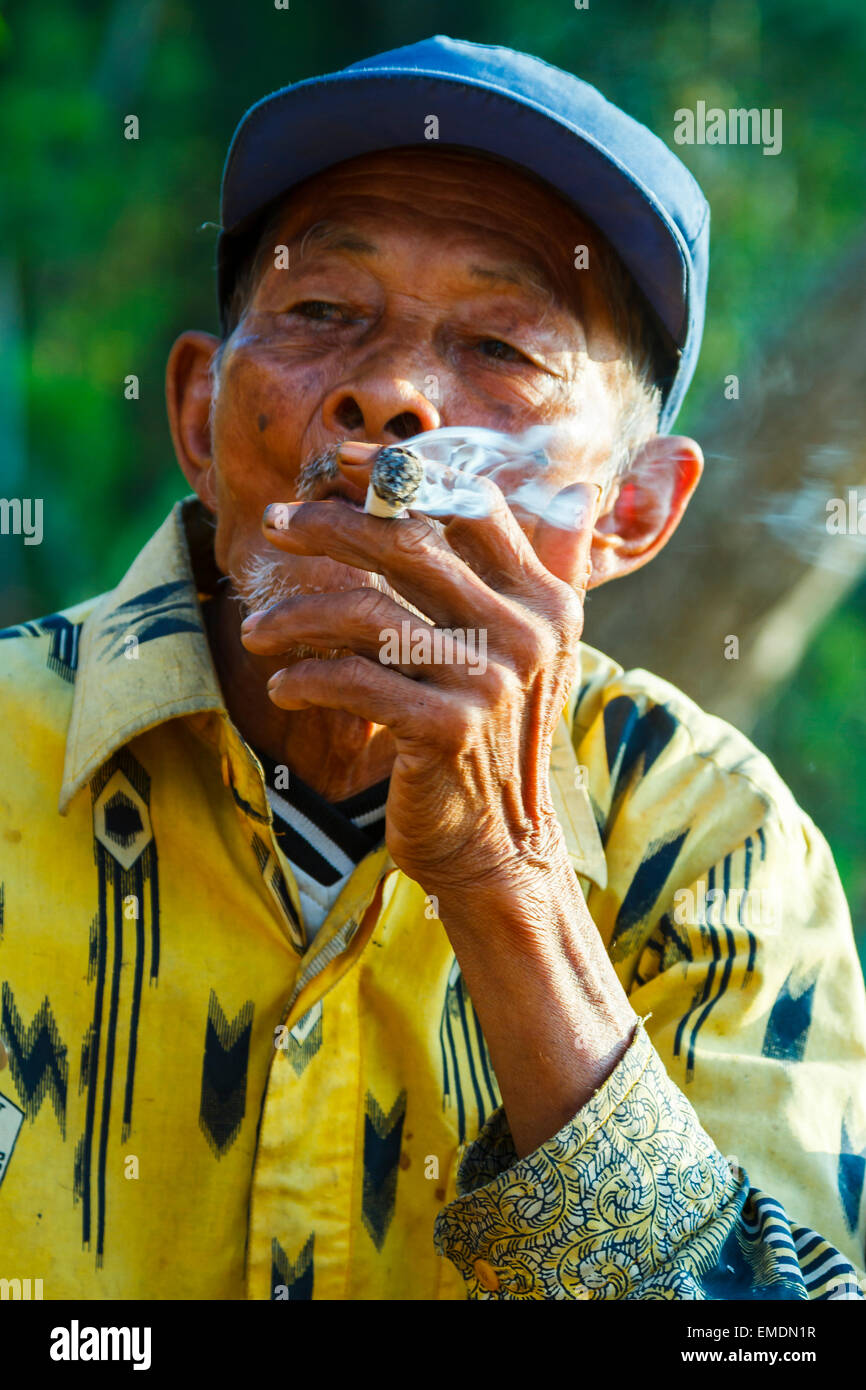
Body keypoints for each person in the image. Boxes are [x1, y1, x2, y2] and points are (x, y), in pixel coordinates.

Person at [1, 35, 864, 1301]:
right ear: (196, 416)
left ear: (628, 509)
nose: (391, 394)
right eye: (320, 315)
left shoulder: (717, 843)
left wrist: (503, 885)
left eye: (501, 349)